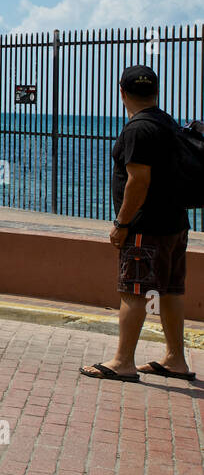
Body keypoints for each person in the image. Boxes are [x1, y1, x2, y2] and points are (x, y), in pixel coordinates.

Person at [81, 66, 195, 383]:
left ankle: (123, 362)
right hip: (175, 224)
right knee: (171, 291)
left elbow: (138, 181)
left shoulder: (137, 130)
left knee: (133, 292)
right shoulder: (167, 123)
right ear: (156, 91)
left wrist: (122, 223)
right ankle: (175, 359)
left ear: (122, 93)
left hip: (146, 227)